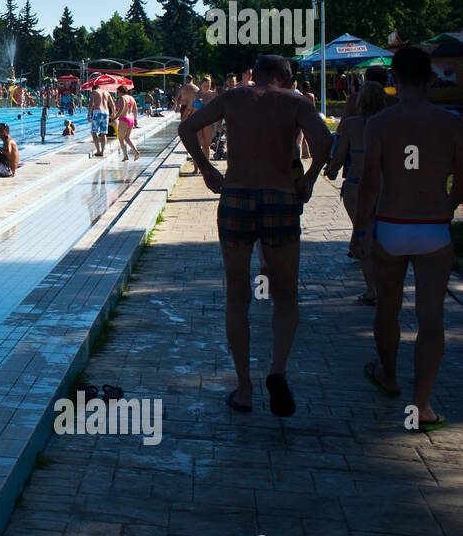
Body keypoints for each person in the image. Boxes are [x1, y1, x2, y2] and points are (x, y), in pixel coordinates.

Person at [179, 54, 332, 417]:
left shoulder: (232, 98)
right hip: (280, 199)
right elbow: (325, 142)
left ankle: (245, 389)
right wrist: (309, 180)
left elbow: (186, 128)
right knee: (285, 296)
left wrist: (206, 170)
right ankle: (277, 371)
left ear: (257, 75)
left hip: (237, 198)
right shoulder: (295, 102)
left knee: (237, 296)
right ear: (285, 78)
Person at [354, 46, 460, 431]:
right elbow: (461, 181)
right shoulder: (452, 124)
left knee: (388, 307)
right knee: (431, 318)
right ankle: (423, 405)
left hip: (390, 224)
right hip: (434, 226)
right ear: (430, 79)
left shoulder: (380, 124)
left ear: (394, 80)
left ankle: (388, 374)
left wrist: (360, 231)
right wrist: (447, 206)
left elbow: (368, 185)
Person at [325, 82, 386, 304]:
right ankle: (383, 285)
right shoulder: (390, 123)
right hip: (385, 184)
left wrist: (330, 171)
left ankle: (372, 289)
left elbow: (340, 157)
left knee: (363, 232)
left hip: (356, 184)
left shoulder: (351, 125)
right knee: (380, 235)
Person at [88, 84, 113, 158]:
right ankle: (102, 151)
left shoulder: (94, 92)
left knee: (93, 132)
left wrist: (88, 114)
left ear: (93, 89)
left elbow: (91, 104)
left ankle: (98, 151)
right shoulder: (107, 92)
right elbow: (112, 104)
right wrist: (114, 114)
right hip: (106, 113)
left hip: (97, 112)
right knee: (103, 133)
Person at [115, 86, 139, 161]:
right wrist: (135, 119)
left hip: (124, 119)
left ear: (121, 91)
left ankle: (126, 156)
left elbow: (121, 109)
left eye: (118, 92)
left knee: (121, 139)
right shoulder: (132, 98)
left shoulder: (122, 98)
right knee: (127, 138)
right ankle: (136, 152)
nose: (117, 94)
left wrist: (115, 117)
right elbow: (135, 109)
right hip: (131, 119)